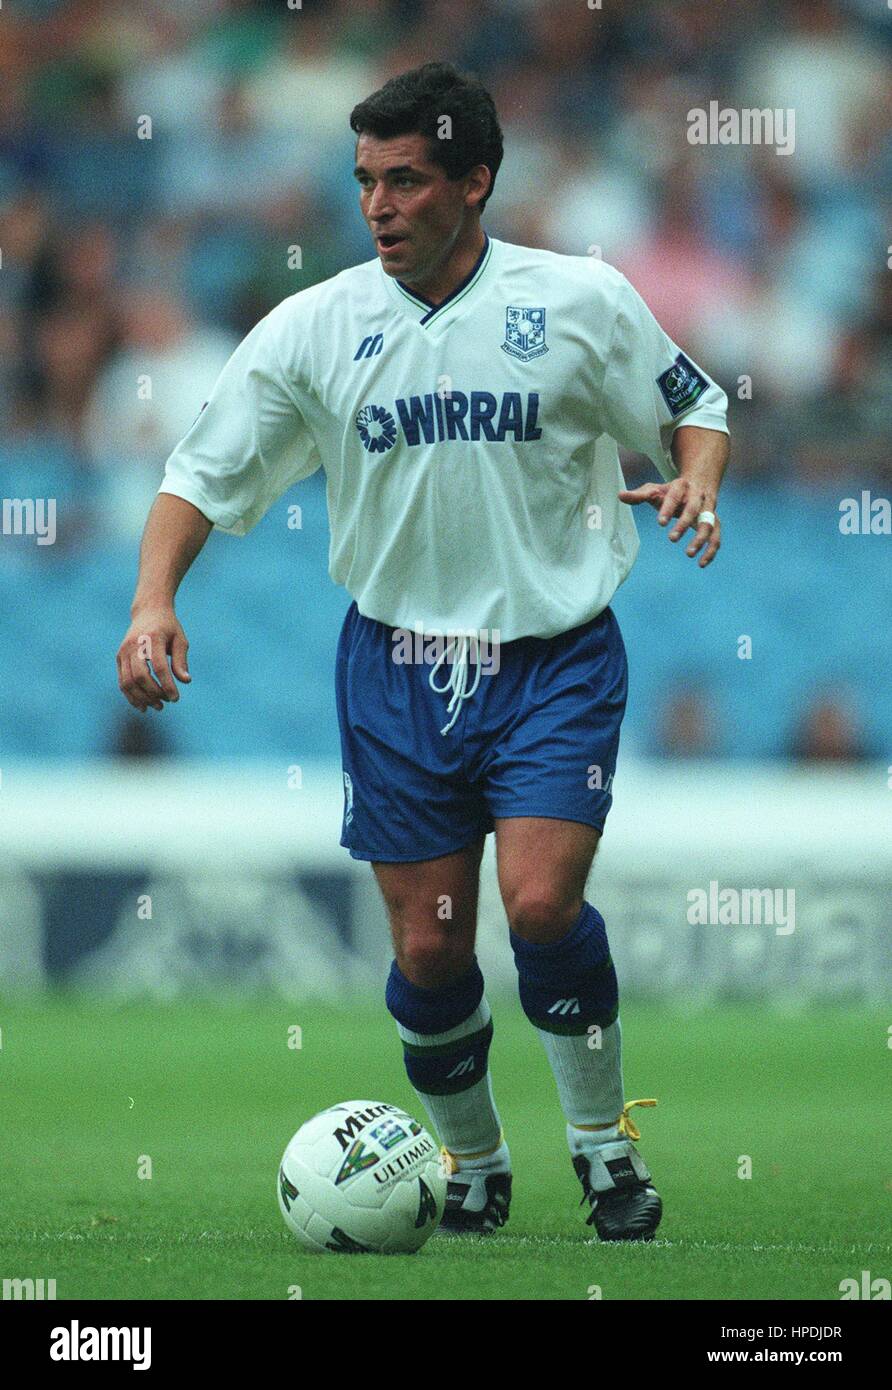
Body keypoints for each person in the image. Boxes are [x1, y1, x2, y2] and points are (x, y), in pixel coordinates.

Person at [117, 62, 730, 1242]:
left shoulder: (580, 303)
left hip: (553, 656)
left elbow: (692, 400)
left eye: (405, 179)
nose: (379, 205)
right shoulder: (314, 327)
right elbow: (198, 473)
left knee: (541, 904)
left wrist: (697, 478)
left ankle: (603, 1150)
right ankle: (474, 1159)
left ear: (474, 181)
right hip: (396, 666)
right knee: (429, 944)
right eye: (364, 181)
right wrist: (153, 599)